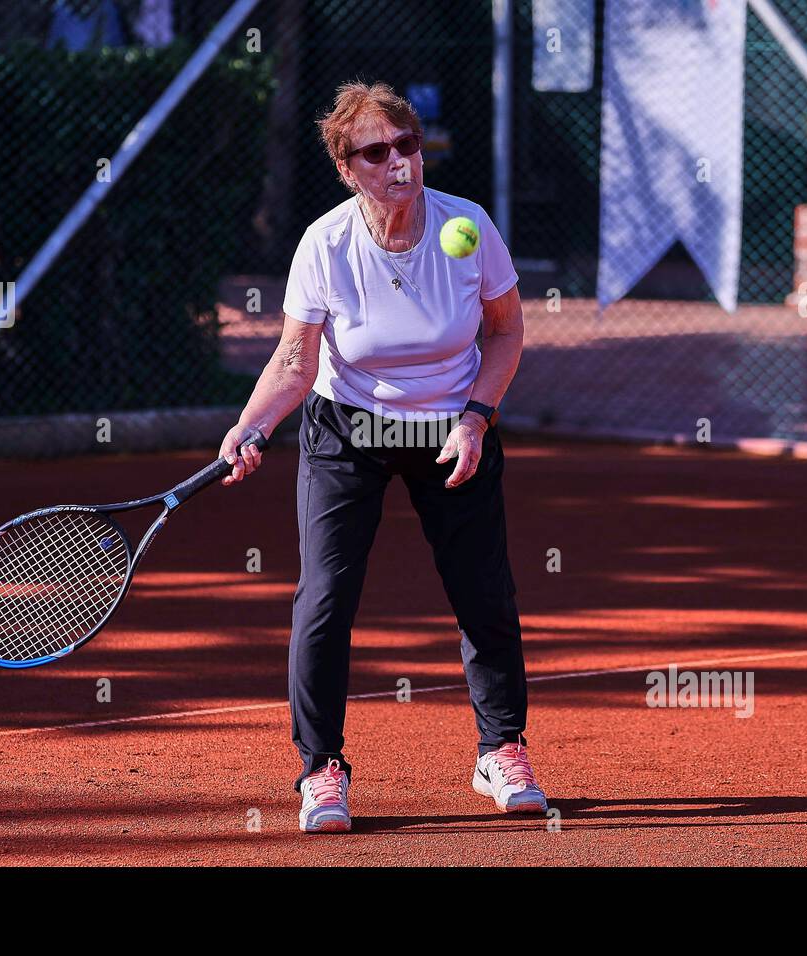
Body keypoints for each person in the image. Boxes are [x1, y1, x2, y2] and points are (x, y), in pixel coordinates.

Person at [218, 81, 546, 832]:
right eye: (376, 152)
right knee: (325, 596)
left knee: (483, 592)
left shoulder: (467, 227)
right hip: (349, 428)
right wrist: (250, 427)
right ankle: (321, 770)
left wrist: (475, 419)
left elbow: (504, 335)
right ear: (347, 168)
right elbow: (295, 363)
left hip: (449, 427)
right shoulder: (326, 245)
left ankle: (501, 748)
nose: (398, 162)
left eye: (407, 145)